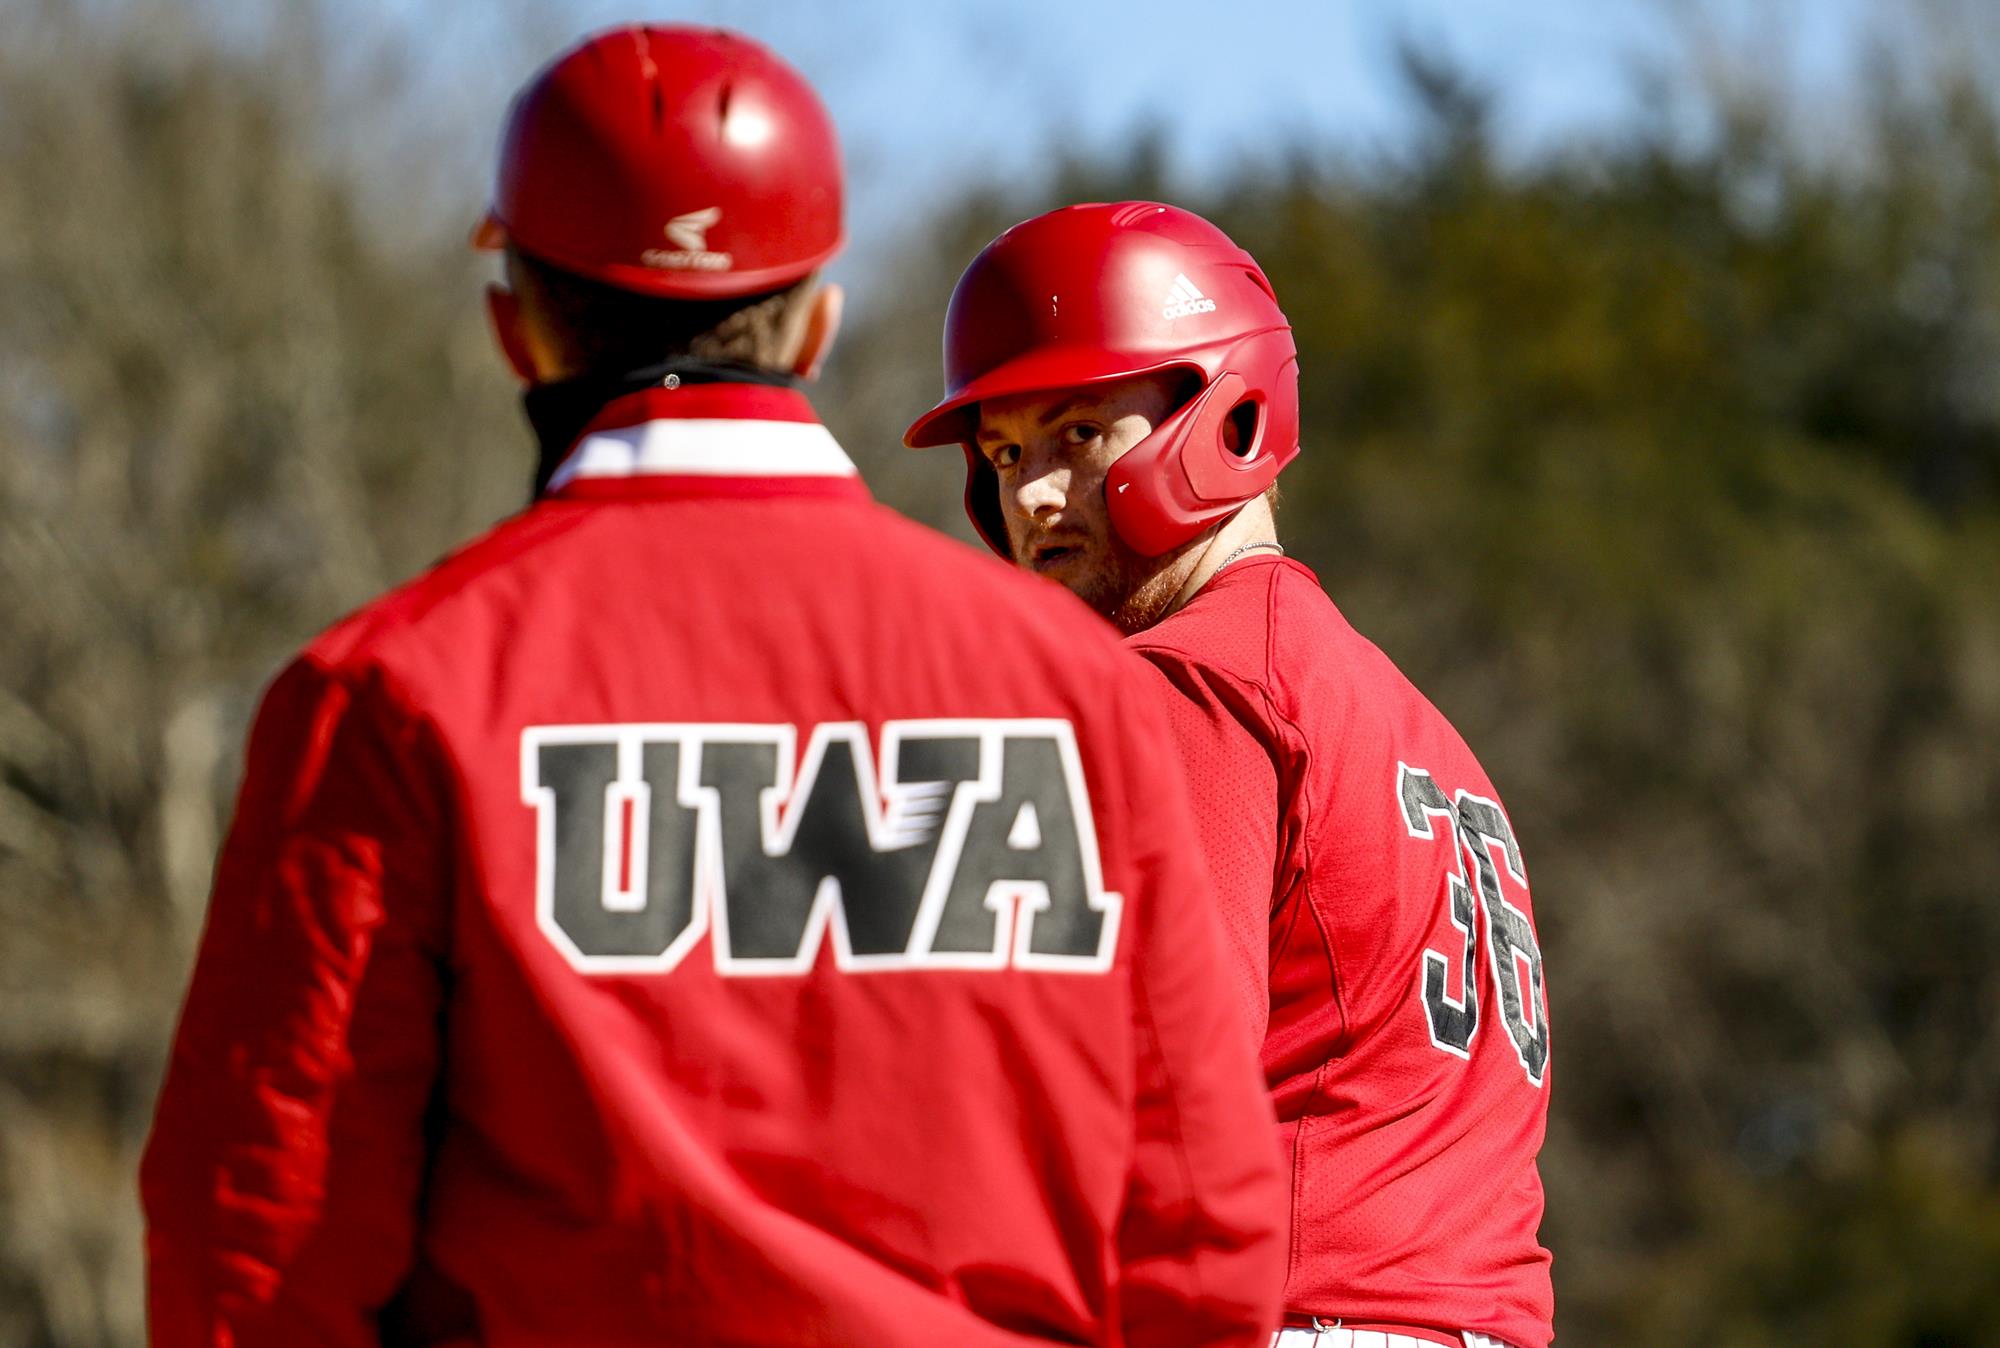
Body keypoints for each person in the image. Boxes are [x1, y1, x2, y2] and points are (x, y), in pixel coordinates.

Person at [141, 40, 1287, 1347]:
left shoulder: (388, 693)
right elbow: (1206, 1237)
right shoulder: (1083, 691)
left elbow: (254, 1241)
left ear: (514, 327)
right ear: (816, 321)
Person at [905, 202, 1555, 1348]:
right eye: (1005, 452)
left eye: (1075, 433)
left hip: (1298, 1315)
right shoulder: (1406, 718)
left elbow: (1156, 1100)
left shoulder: (1191, 682)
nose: (1031, 496)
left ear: (1227, 417)